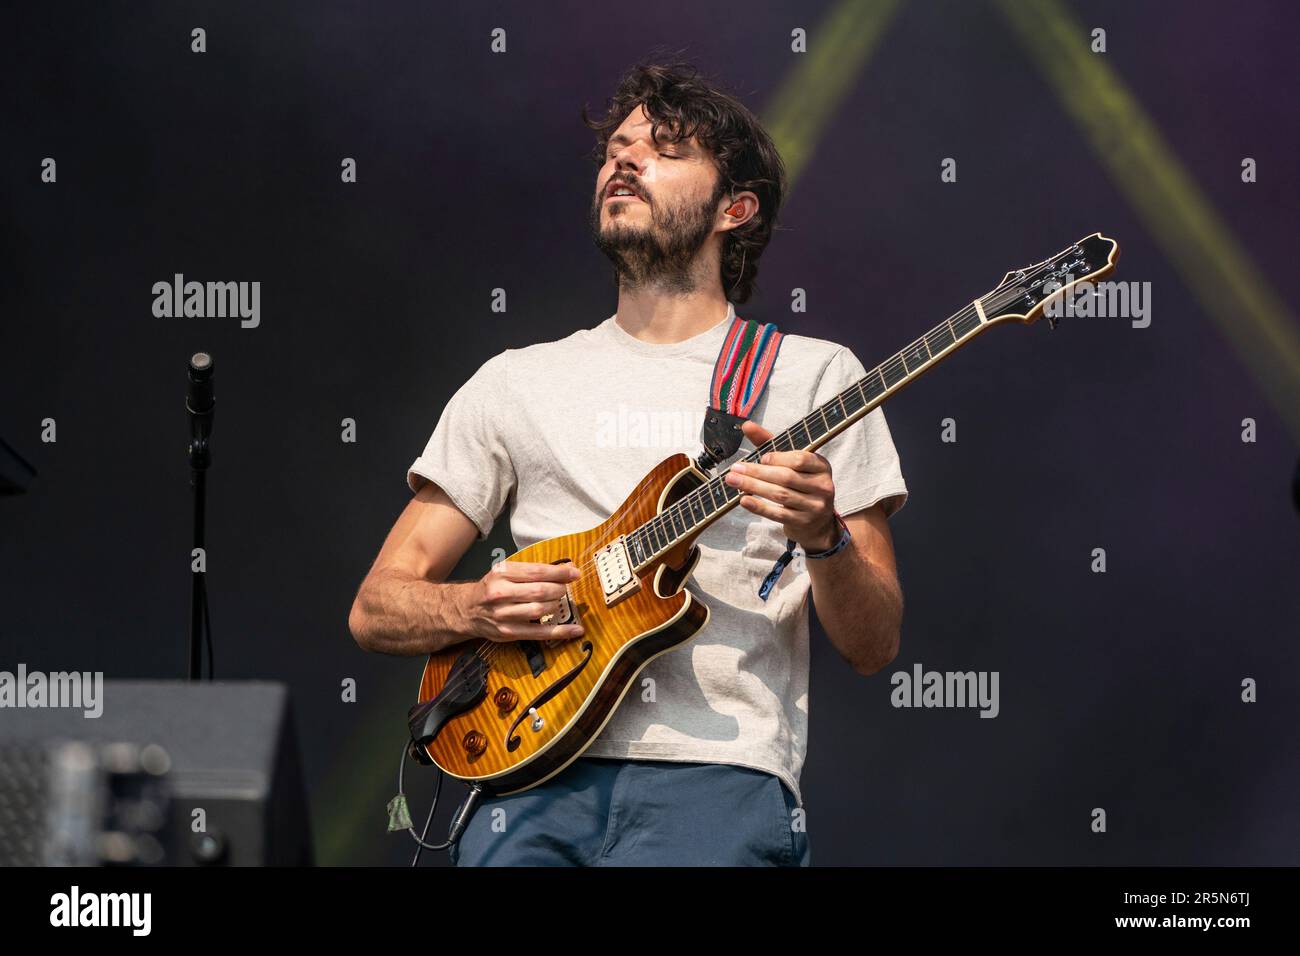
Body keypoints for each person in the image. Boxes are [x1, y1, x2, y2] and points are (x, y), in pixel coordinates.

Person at [348, 62, 908, 866]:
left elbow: (874, 642)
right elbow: (375, 608)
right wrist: (475, 607)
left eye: (665, 148)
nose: (626, 158)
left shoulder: (814, 377)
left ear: (734, 209)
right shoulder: (515, 380)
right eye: (618, 146)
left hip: (717, 782)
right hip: (526, 776)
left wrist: (824, 537)